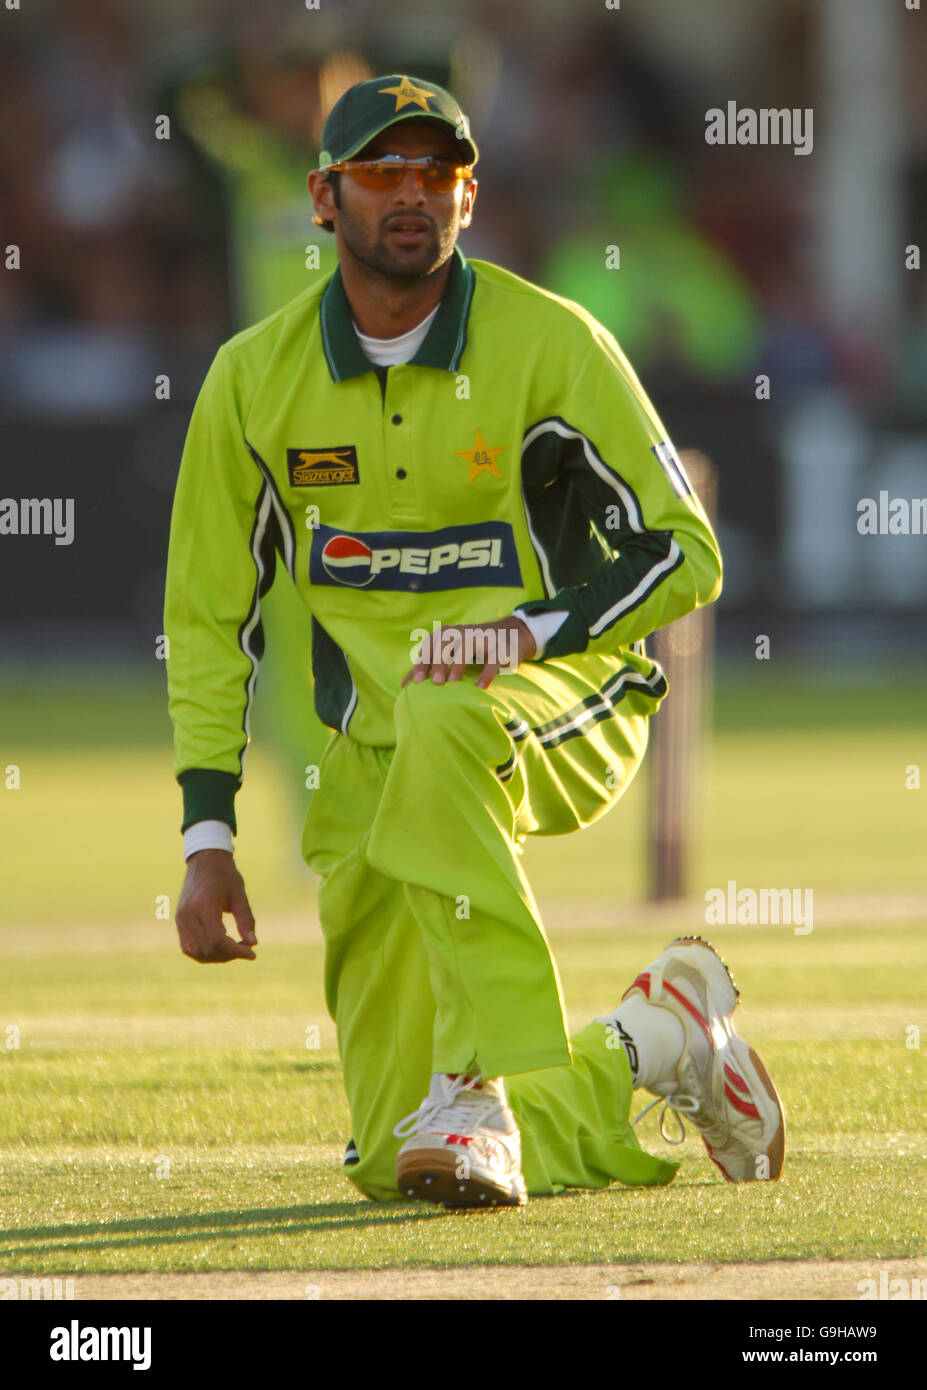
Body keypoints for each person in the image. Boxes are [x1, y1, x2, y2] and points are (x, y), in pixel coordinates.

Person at [164, 73, 785, 1208]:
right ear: (322, 197)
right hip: (371, 759)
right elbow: (207, 620)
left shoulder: (553, 343)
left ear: (470, 195)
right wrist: (210, 837)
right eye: (383, 171)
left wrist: (526, 632)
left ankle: (469, 1079)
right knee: (394, 1165)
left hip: (562, 698)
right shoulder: (252, 381)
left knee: (450, 713)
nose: (412, 193)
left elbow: (685, 551)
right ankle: (655, 1043)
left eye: (437, 172)